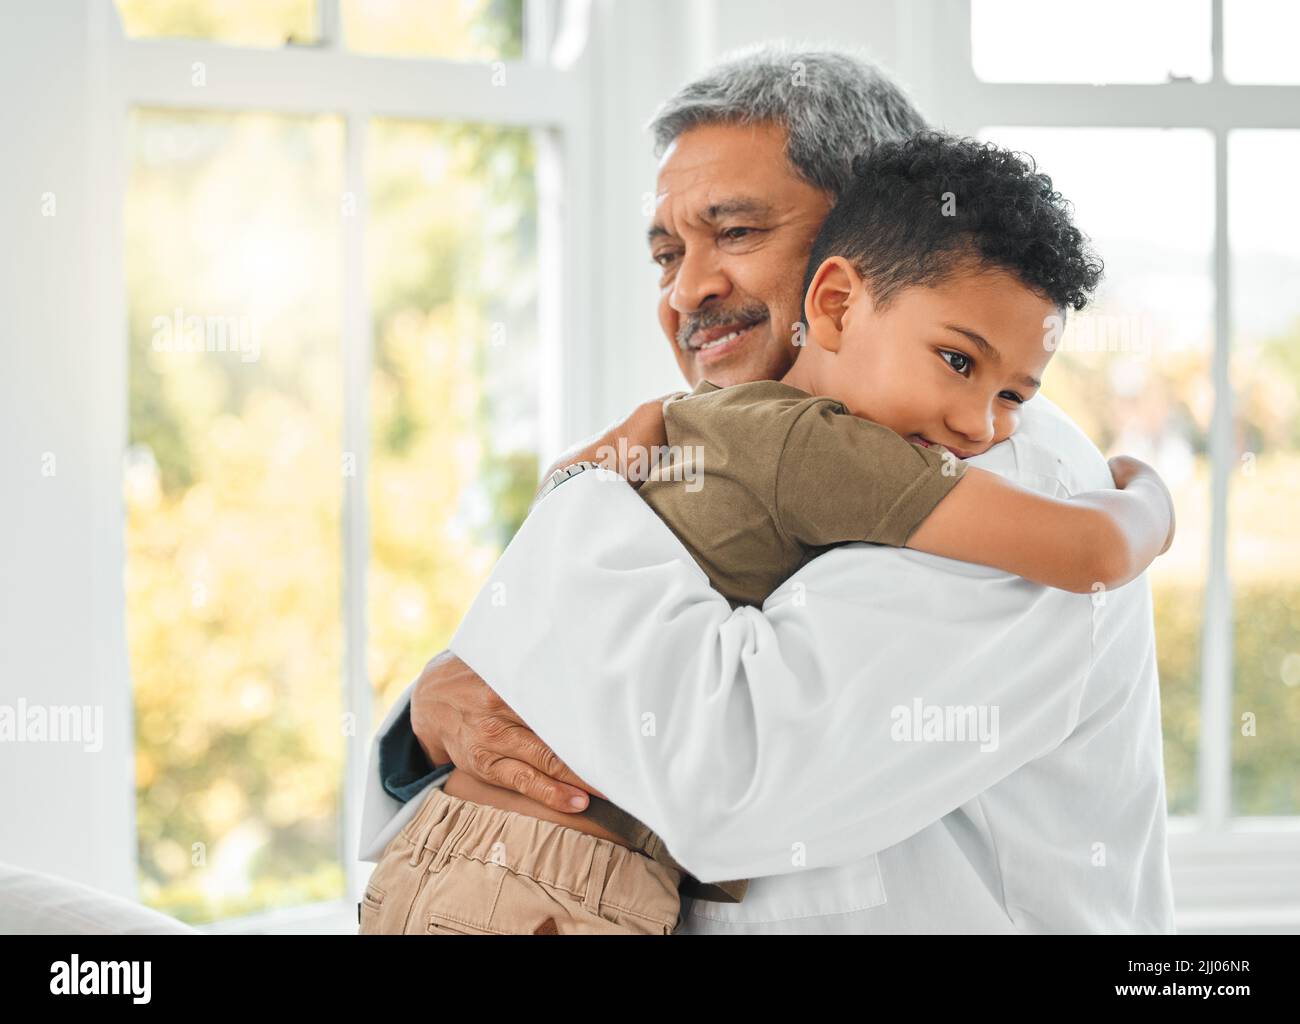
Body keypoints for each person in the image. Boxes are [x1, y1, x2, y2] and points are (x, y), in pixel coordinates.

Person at [359, 45, 1177, 934]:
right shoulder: (728, 446)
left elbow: (727, 781)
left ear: (862, 240)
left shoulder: (987, 466)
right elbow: (544, 684)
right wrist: (430, 718)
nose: (687, 290)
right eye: (667, 253)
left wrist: (583, 493)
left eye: (737, 233)